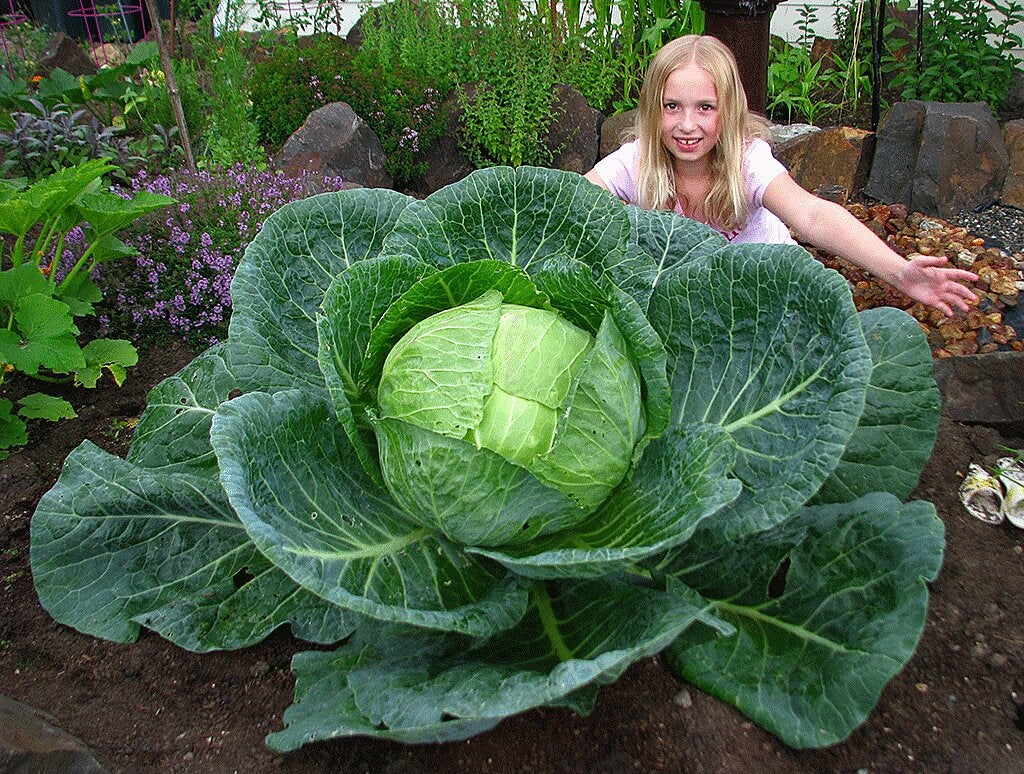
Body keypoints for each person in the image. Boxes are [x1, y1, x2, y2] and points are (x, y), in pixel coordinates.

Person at [584, 34, 978, 317]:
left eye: (705, 107)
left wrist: (901, 272)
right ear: (652, 109)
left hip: (768, 297)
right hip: (692, 307)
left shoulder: (748, 161)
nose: (687, 125)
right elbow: (568, 202)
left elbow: (812, 215)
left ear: (729, 109)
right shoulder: (636, 161)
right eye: (672, 106)